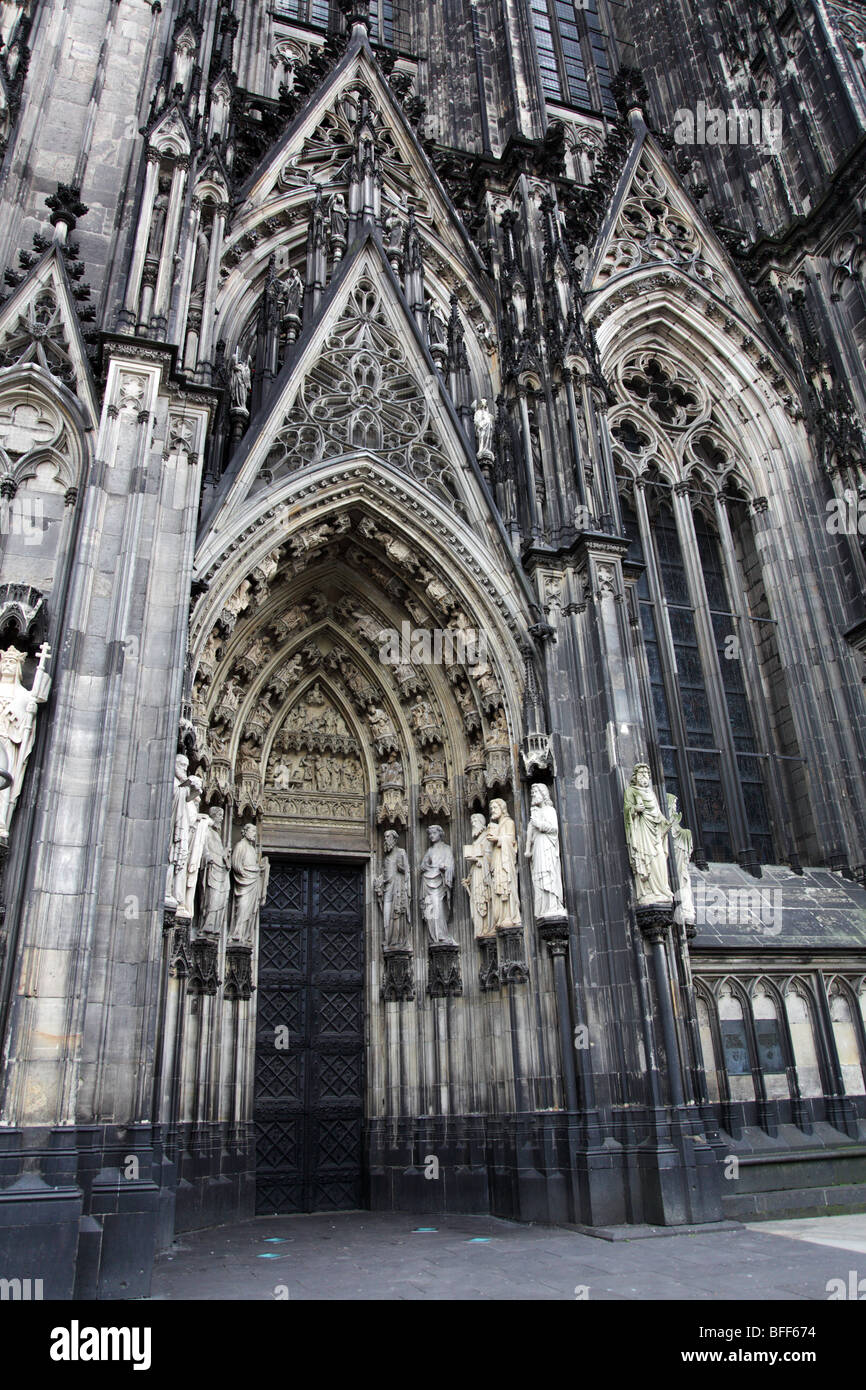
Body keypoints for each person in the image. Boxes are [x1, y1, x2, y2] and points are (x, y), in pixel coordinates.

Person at [623, 764, 672, 905]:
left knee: (659, 858)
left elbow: (658, 813)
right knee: (647, 858)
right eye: (641, 773)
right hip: (642, 833)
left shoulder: (651, 793)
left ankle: (661, 889)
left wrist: (665, 823)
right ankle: (649, 890)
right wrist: (634, 809)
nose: (644, 775)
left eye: (646, 773)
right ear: (635, 776)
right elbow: (628, 810)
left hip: (655, 834)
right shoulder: (631, 791)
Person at [525, 782, 565, 919]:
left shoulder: (549, 810)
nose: (533, 795)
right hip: (537, 848)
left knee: (548, 874)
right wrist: (527, 849)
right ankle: (543, 908)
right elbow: (529, 836)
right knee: (539, 877)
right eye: (532, 794)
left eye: (535, 793)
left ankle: (553, 905)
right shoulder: (534, 813)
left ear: (543, 794)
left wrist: (539, 825)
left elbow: (554, 829)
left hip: (547, 847)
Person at [375, 829, 411, 950]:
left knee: (396, 913)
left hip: (398, 888)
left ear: (394, 839)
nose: (385, 839)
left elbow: (407, 871)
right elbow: (386, 874)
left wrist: (402, 869)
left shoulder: (401, 852)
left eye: (387, 837)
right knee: (386, 913)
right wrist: (379, 881)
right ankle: (388, 939)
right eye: (384, 837)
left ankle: (398, 940)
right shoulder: (386, 858)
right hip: (388, 889)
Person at [487, 798, 521, 930]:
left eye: (495, 808)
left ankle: (509, 916)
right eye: (491, 809)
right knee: (498, 887)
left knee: (506, 885)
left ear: (502, 808)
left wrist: (498, 839)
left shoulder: (509, 822)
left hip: (505, 861)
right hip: (498, 859)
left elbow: (511, 840)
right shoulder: (497, 825)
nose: (492, 811)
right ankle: (501, 916)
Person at [419, 825, 456, 945]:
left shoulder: (447, 849)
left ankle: (442, 935)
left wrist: (445, 868)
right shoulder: (430, 851)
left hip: (440, 881)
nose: (431, 836)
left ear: (440, 834)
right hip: (429, 881)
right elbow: (422, 866)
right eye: (430, 834)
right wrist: (427, 867)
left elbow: (451, 866)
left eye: (433, 833)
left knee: (439, 907)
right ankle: (434, 936)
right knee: (431, 908)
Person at [231, 823, 267, 944]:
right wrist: (246, 874)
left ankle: (246, 935)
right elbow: (236, 864)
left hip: (253, 882)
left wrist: (260, 868)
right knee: (242, 908)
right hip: (245, 882)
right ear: (245, 832)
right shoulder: (240, 846)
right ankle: (237, 934)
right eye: (252, 832)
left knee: (251, 910)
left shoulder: (252, 849)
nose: (254, 835)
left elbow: (253, 866)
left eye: (255, 833)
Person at [463, 811, 493, 939]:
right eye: (471, 822)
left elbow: (491, 856)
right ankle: (481, 929)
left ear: (481, 822)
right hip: (476, 874)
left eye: (475, 821)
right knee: (476, 902)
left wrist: (479, 860)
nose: (473, 824)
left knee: (483, 899)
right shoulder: (477, 839)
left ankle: (486, 927)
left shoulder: (487, 837)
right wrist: (468, 879)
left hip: (483, 874)